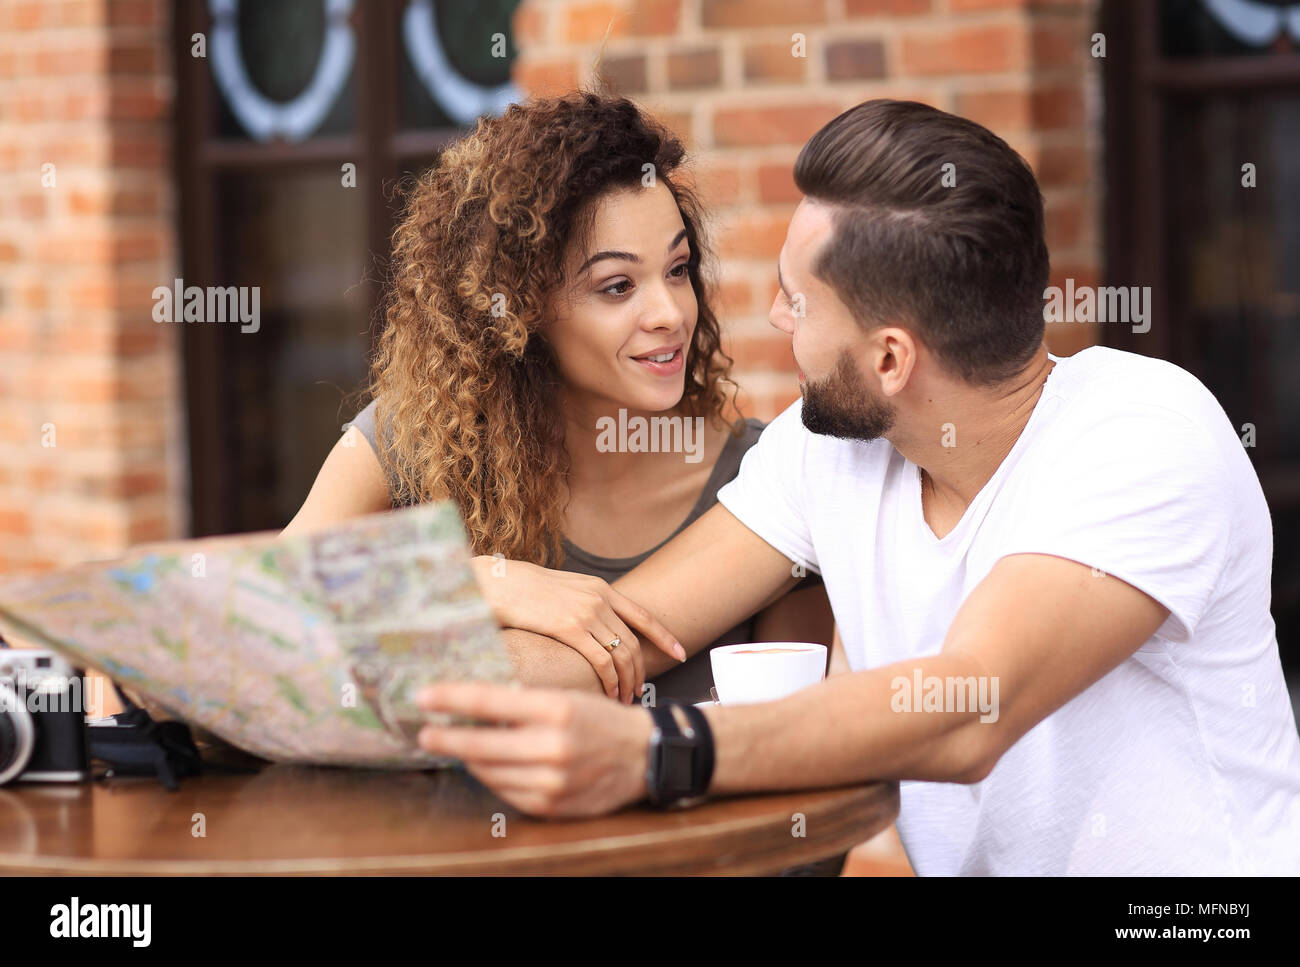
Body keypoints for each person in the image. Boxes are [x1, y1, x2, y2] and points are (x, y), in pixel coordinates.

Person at [414, 99, 1300, 875]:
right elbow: (621, 639)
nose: (770, 319)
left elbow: (969, 704)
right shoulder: (829, 449)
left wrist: (657, 750)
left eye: (797, 303)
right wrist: (406, 672)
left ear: (888, 358)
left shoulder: (1141, 434)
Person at [282, 91, 833, 707]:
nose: (671, 314)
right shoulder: (413, 444)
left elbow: (795, 725)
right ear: (519, 310)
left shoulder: (761, 480)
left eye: (677, 270)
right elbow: (255, 614)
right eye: (617, 286)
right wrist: (485, 584)